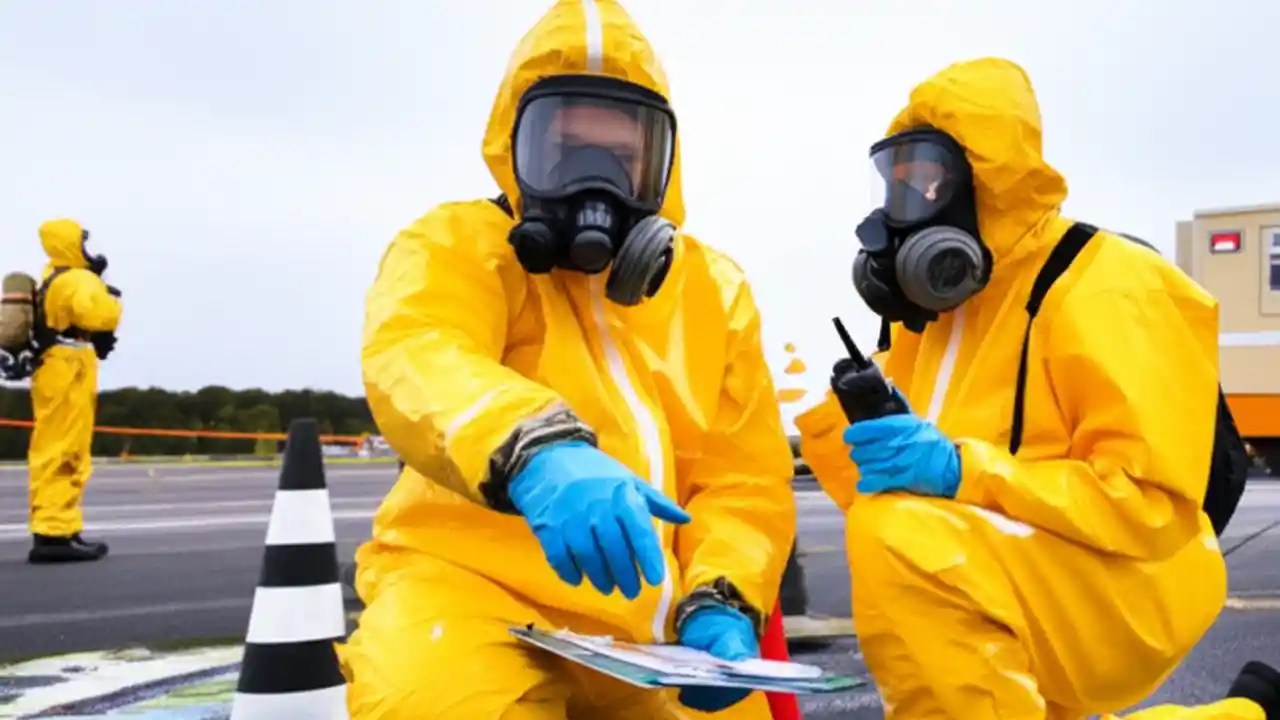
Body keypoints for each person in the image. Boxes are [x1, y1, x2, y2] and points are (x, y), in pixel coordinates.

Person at [337, 1, 796, 718]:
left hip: (655, 635)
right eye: (568, 154)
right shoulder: (457, 245)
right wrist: (533, 450)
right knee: (429, 702)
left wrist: (724, 595)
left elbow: (743, 481)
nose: (595, 187)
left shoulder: (711, 288)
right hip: (469, 594)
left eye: (617, 160)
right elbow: (418, 350)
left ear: (658, 164)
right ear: (516, 148)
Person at [797, 57, 1280, 720]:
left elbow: (1147, 506)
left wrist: (960, 470)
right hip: (1028, 563)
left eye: (928, 183)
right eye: (898, 187)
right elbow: (885, 493)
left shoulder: (1106, 285)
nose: (900, 215)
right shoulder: (937, 318)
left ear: (988, 179)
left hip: (1139, 574)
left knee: (906, 540)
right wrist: (843, 424)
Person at [27, 218, 122, 564]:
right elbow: (99, 316)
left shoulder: (51, 276)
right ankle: (54, 534)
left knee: (53, 446)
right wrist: (109, 293)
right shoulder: (77, 279)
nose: (87, 248)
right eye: (82, 241)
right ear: (70, 243)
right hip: (70, 366)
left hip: (53, 365)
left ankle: (61, 527)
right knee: (66, 450)